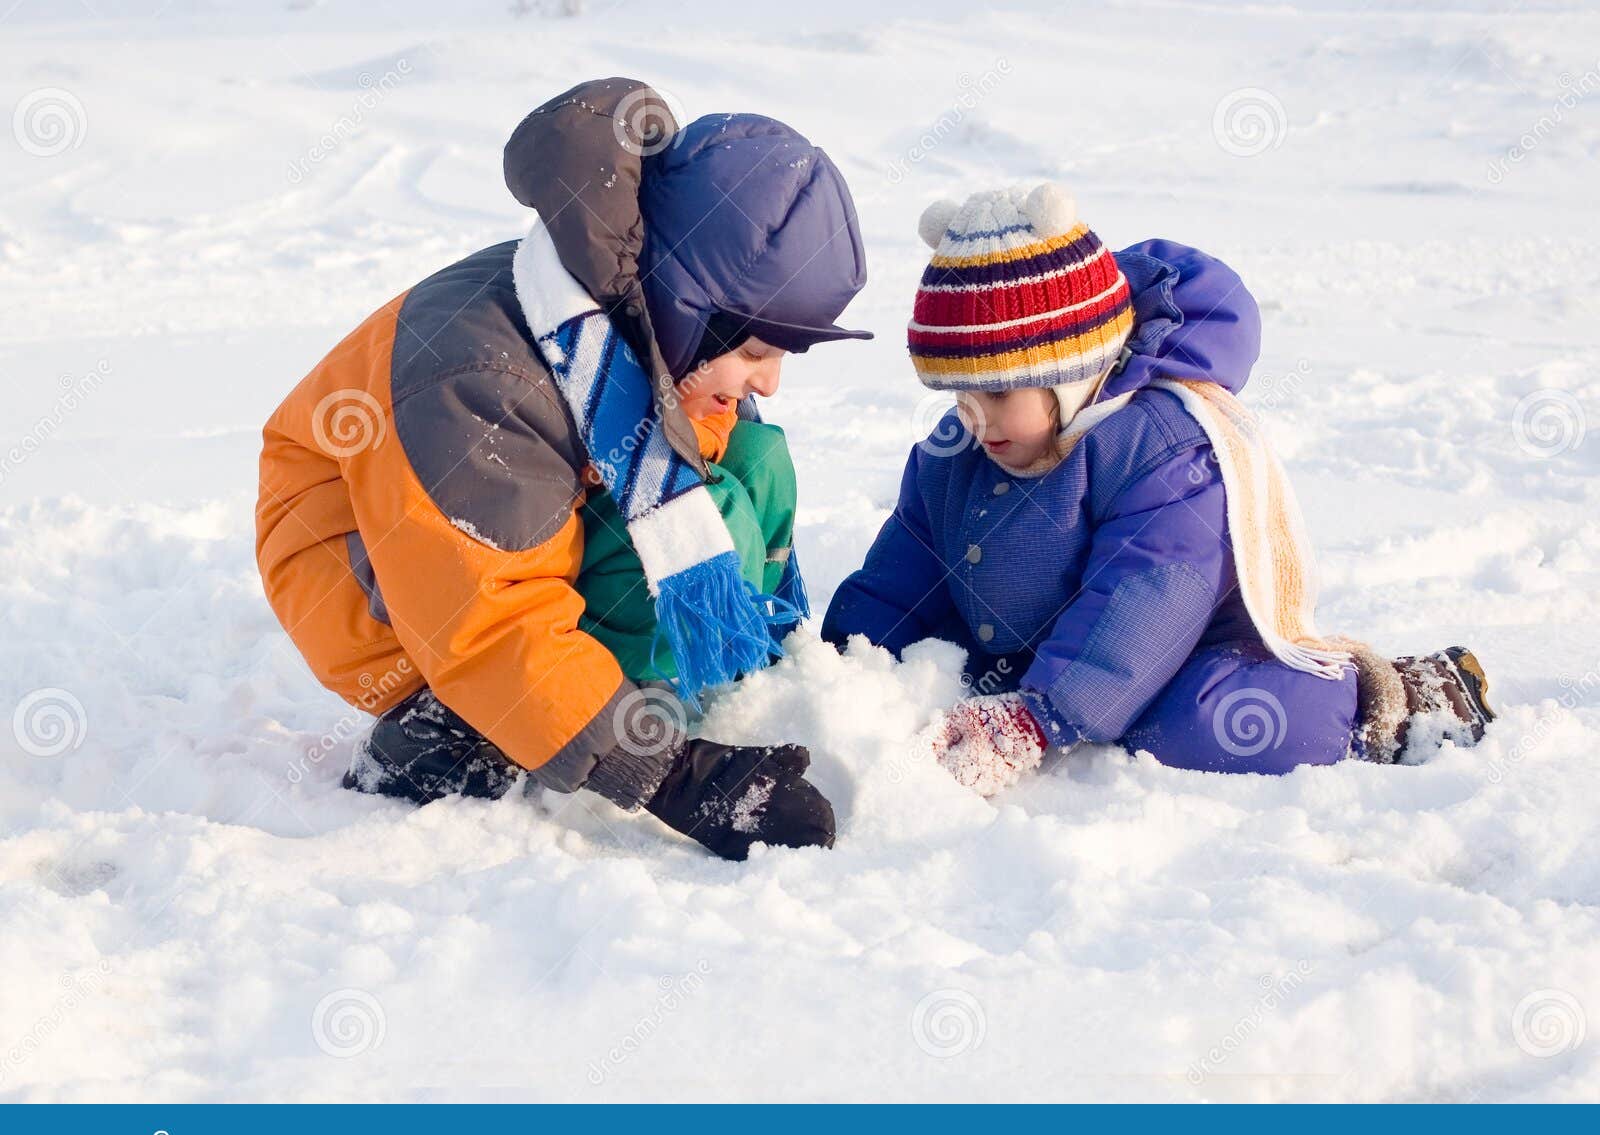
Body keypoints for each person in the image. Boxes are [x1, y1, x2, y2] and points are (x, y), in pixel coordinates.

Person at [256, 78, 872, 859]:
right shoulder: (480, 381)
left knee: (752, 459)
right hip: (378, 580)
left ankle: (649, 681)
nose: (772, 378)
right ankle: (455, 725)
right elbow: (490, 617)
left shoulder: (631, 314)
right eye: (756, 349)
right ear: (689, 304)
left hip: (503, 533)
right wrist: (679, 775)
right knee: (549, 643)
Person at [822, 183, 1494, 796]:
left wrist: (1043, 715)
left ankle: (1393, 698)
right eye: (958, 392)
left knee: (1192, 725)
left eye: (997, 392)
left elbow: (1147, 594)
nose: (975, 417)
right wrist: (843, 668)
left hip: (1182, 651)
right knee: (937, 669)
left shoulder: (1160, 447)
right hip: (1035, 649)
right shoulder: (962, 446)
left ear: (1069, 374)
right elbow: (905, 568)